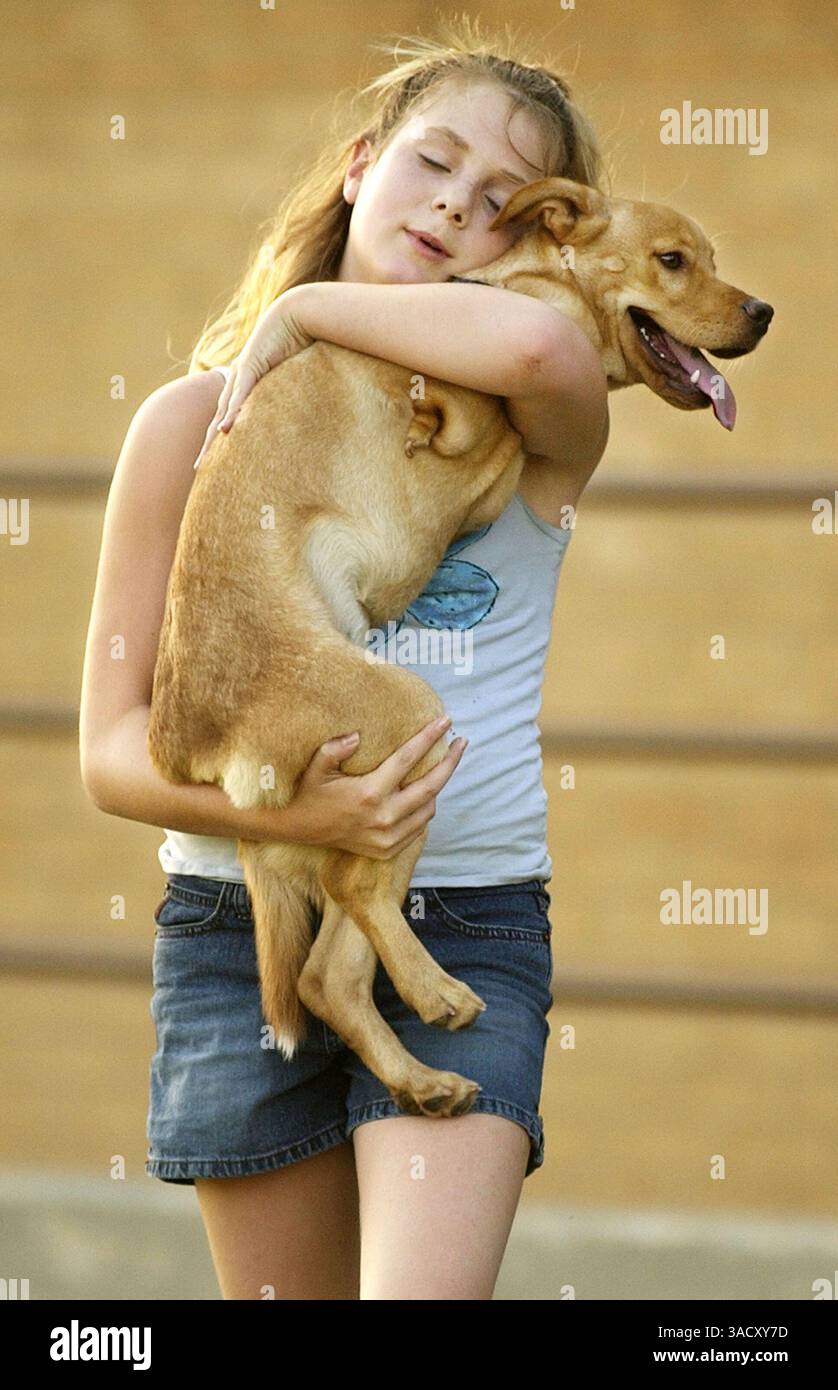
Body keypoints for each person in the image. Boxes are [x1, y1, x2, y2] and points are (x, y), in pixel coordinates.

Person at [79, 17, 609, 1300]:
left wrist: (311, 307)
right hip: (231, 919)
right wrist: (307, 809)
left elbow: (541, 345)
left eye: (496, 203)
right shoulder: (192, 423)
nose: (449, 206)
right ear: (360, 165)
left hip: (467, 920)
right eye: (430, 162)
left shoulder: (536, 428)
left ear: (530, 244)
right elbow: (109, 750)